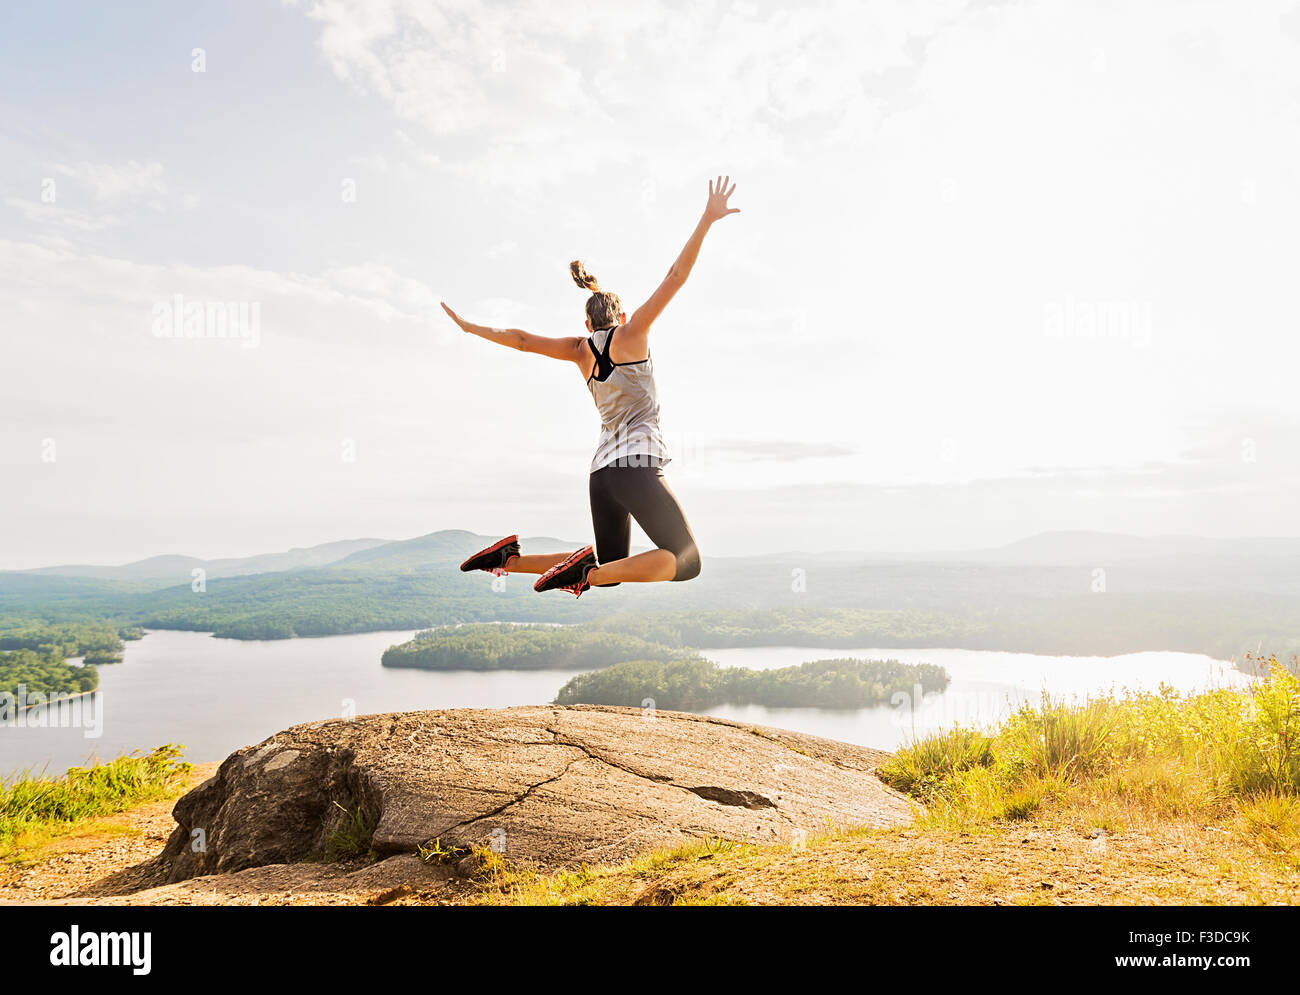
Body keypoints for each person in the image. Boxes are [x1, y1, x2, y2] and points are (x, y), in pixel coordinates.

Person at [441, 176, 740, 597]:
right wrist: (707, 219)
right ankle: (587, 574)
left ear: (587, 324)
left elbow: (523, 341)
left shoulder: (579, 350)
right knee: (686, 560)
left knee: (614, 564)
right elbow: (675, 276)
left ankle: (509, 560)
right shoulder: (633, 334)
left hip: (601, 473)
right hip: (635, 466)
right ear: (620, 316)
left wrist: (472, 329)